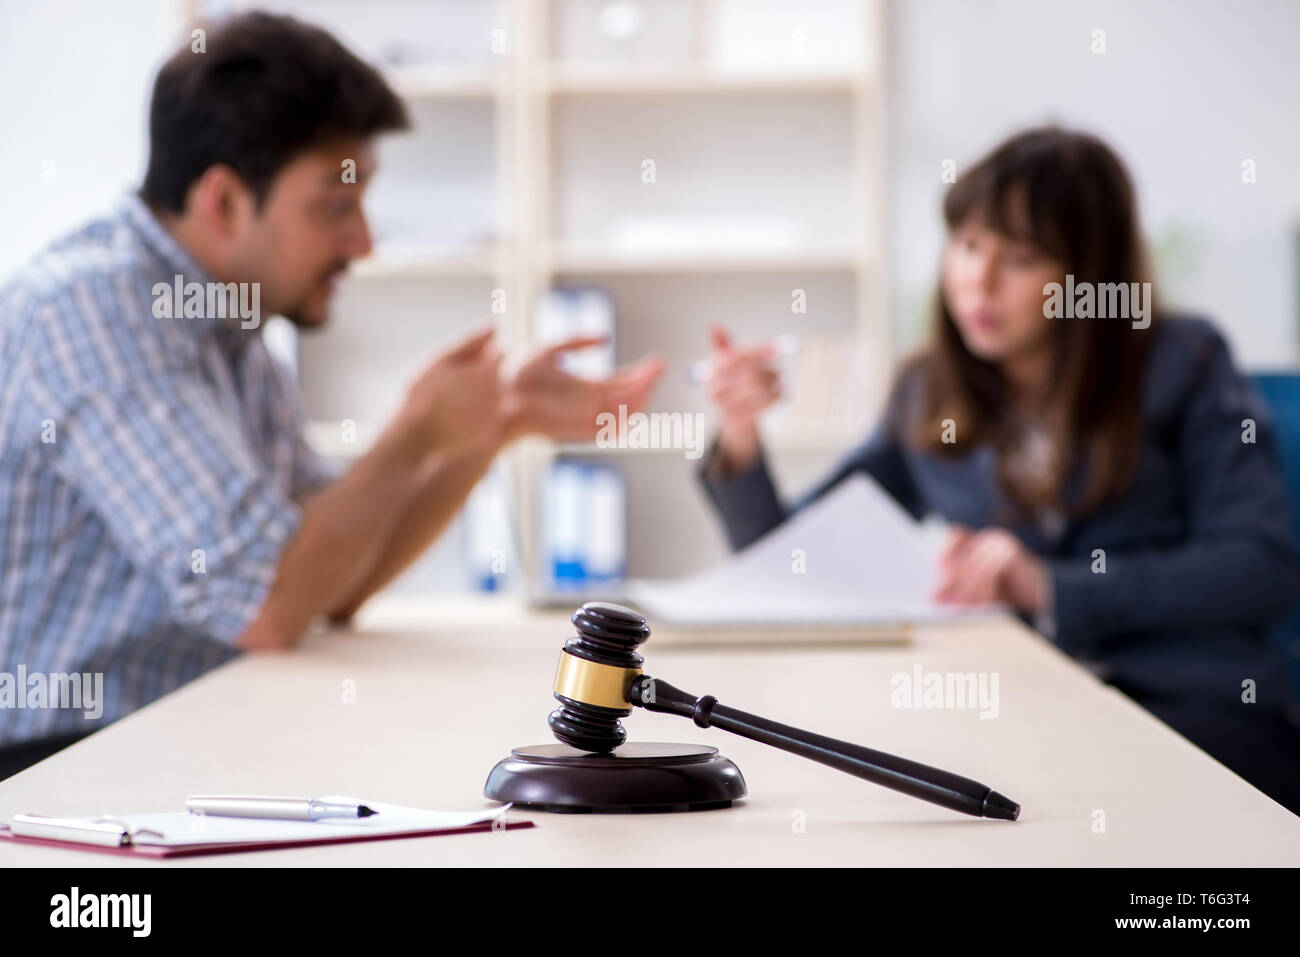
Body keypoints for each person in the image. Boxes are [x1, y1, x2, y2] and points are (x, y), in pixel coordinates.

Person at [0, 12, 663, 775]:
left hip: (171, 737)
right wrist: (416, 431)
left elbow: (331, 580)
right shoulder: (90, 311)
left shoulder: (230, 323)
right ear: (223, 202)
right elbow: (272, 606)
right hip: (53, 769)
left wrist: (487, 428)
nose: (365, 242)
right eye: (334, 205)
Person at [699, 126, 1300, 815]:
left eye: (1019, 256)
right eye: (968, 244)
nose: (978, 281)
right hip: (1024, 717)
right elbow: (790, 559)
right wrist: (741, 432)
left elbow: (1262, 565)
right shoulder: (928, 391)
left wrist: (1049, 586)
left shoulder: (1181, 362)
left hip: (1195, 714)